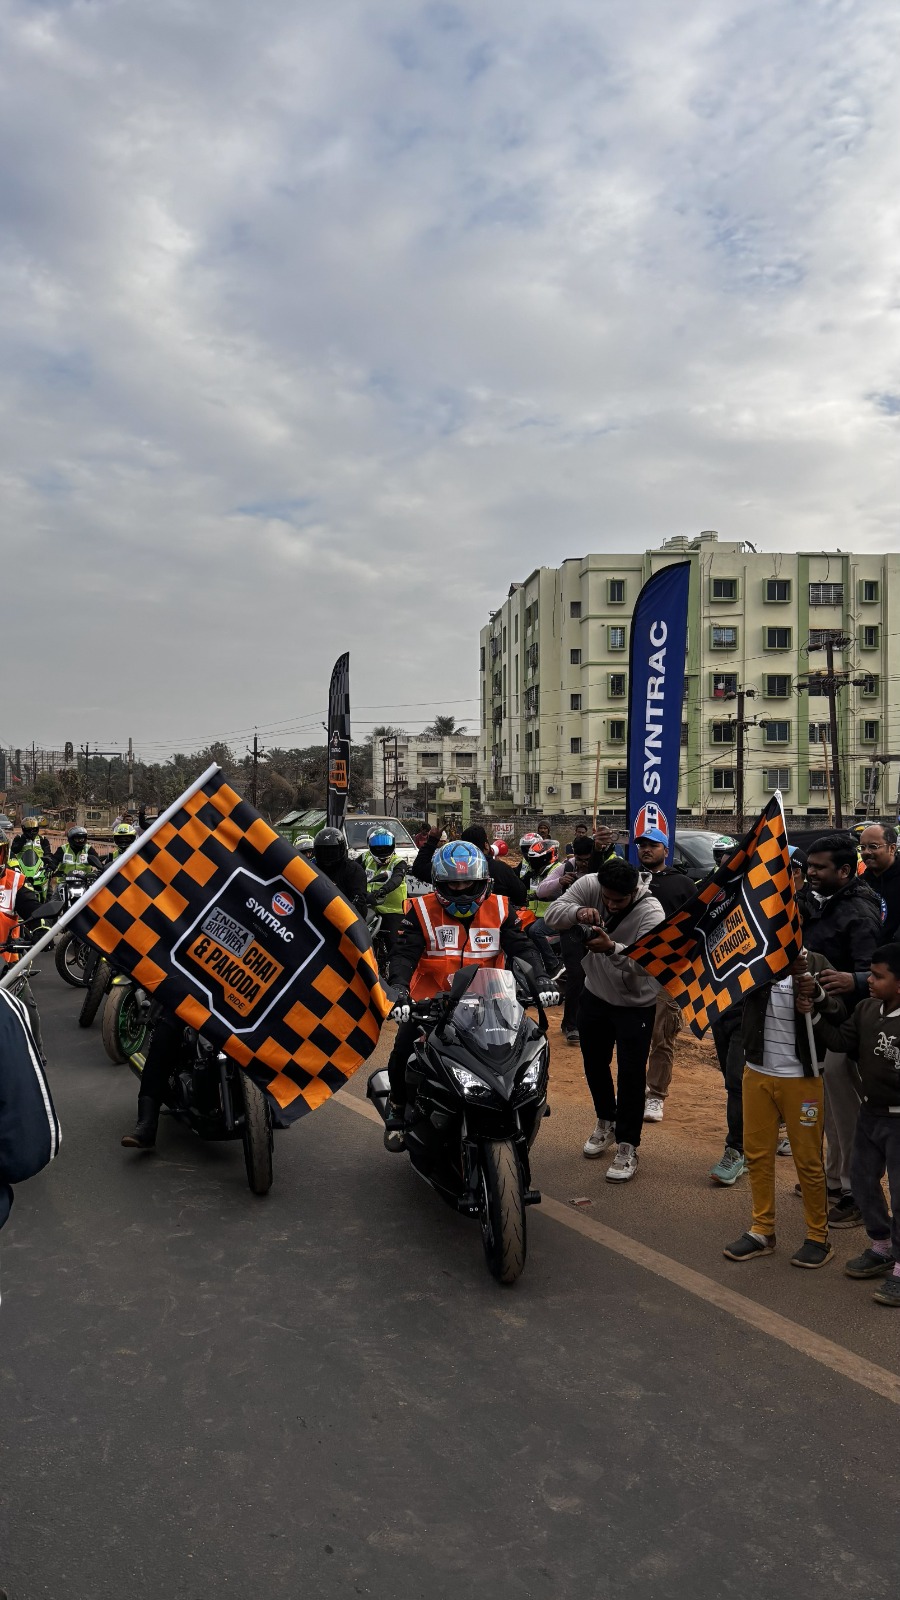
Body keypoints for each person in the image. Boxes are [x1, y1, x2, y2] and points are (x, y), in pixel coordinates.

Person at [382, 842, 557, 1150]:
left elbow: (523, 949)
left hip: (490, 1001)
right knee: (402, 1052)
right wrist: (398, 990)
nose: (461, 891)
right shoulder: (420, 911)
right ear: (438, 884)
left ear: (483, 883)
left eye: (468, 884)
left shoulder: (502, 910)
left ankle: (528, 1100)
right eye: (452, 884)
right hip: (432, 1004)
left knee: (526, 1048)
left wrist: (540, 979)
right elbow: (403, 956)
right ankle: (397, 1107)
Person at [545, 858, 664, 1182]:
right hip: (594, 993)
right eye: (606, 898)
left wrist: (612, 947)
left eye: (618, 901)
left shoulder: (651, 911)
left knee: (630, 1074)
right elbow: (552, 915)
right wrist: (577, 913)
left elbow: (649, 963)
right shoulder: (591, 884)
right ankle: (605, 1121)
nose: (610, 904)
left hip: (635, 1003)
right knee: (594, 1063)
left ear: (633, 892)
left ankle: (628, 1145)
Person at [799, 942, 900, 1305]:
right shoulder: (867, 1010)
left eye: (877, 976)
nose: (868, 981)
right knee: (860, 1181)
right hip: (871, 1115)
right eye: (870, 973)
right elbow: (841, 1040)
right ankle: (882, 1245)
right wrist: (814, 1012)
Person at [722, 952, 832, 1268]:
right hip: (757, 1072)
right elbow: (731, 986)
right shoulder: (756, 960)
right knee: (757, 1154)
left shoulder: (817, 963)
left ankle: (818, 1237)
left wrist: (812, 990)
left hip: (802, 1080)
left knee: (808, 1159)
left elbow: (838, 1010)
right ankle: (762, 1231)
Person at [800, 833, 884, 1229]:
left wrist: (854, 978)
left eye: (819, 868)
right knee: (827, 1106)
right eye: (809, 866)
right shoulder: (814, 900)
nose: (810, 873)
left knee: (845, 1106)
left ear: (845, 871)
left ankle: (855, 1192)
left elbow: (876, 975)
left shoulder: (859, 912)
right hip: (815, 1016)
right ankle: (832, 1180)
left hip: (847, 1025)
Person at [633, 825, 697, 1124]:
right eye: (642, 845)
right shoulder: (630, 881)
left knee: (662, 1036)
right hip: (632, 970)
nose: (646, 849)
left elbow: (696, 926)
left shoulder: (683, 884)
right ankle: (633, 1089)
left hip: (669, 971)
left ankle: (656, 1096)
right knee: (632, 1036)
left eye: (653, 845)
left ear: (665, 850)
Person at [532, 834, 595, 1042]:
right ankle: (571, 1025)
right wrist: (559, 881)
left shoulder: (602, 866)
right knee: (576, 975)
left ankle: (593, 1022)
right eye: (580, 859)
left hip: (597, 927)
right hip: (571, 928)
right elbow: (540, 891)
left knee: (596, 975)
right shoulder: (566, 867)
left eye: (587, 859)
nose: (583, 864)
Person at [0, 832, 46, 1054]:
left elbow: (33, 908)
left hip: (6, 965)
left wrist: (40, 927)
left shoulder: (13, 881)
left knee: (27, 1009)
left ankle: (36, 1058)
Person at [413, 824, 526, 907]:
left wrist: (432, 841)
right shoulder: (502, 869)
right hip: (494, 927)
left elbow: (419, 869)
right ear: (486, 846)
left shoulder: (450, 867)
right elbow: (520, 895)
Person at [361, 826, 408, 955]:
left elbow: (397, 879)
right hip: (369, 907)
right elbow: (351, 871)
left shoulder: (399, 863)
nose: (382, 851)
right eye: (378, 848)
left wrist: (383, 890)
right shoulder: (366, 858)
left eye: (386, 847)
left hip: (393, 911)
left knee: (395, 946)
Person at [312, 827, 369, 917]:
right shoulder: (313, 869)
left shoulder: (353, 869)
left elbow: (358, 899)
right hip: (318, 915)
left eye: (332, 852)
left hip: (347, 917)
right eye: (323, 851)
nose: (327, 856)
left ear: (342, 849)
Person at [860, 824, 900, 941]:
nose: (866, 852)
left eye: (873, 846)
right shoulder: (859, 884)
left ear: (892, 849)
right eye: (862, 847)